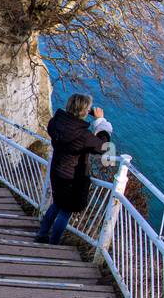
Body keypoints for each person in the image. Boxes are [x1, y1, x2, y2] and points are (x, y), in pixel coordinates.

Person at [35, 92, 113, 245]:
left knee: (57, 203)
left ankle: (42, 234)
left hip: (56, 171)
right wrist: (100, 121)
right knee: (65, 211)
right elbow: (104, 146)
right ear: (85, 111)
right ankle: (53, 244)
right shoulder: (82, 135)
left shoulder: (55, 122)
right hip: (72, 178)